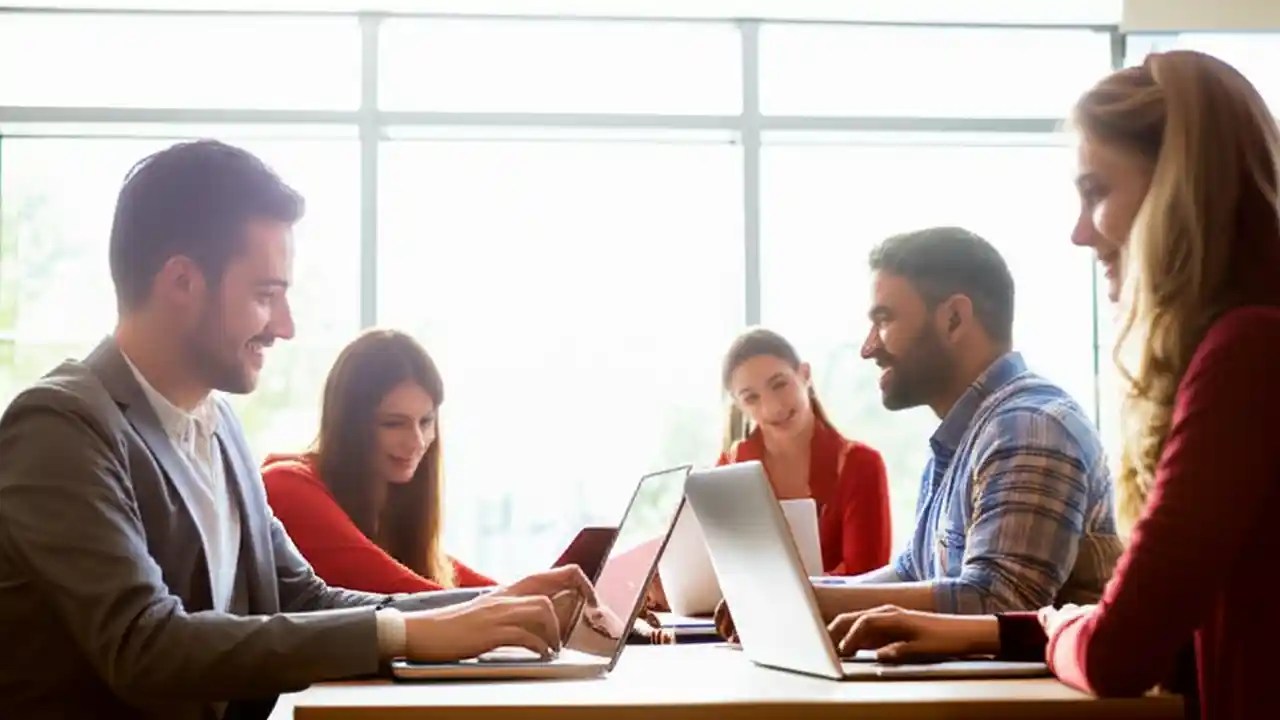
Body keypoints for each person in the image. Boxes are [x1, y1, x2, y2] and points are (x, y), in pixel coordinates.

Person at [0, 140, 592, 720]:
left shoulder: (220, 426)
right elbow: (144, 644)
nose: (284, 326)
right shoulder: (60, 428)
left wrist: (499, 604)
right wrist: (411, 632)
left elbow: (304, 599)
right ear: (181, 282)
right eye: (266, 296)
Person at [823, 50, 1280, 720]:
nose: (1078, 232)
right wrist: (993, 631)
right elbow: (1175, 632)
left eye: (1097, 192)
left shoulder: (1245, 354)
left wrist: (1058, 625)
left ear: (1179, 192)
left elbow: (1121, 650)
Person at [716, 227, 1120, 640]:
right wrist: (794, 593)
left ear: (954, 319)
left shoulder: (1029, 428)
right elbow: (911, 570)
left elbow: (1001, 602)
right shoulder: (964, 437)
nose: (868, 347)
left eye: (884, 320)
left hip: (1026, 705)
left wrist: (806, 603)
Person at [262, 329, 495, 594]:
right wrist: (524, 607)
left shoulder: (394, 508)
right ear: (350, 425)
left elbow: (489, 596)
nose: (417, 442)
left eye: (426, 421)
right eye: (393, 424)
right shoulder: (286, 486)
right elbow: (404, 594)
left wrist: (542, 598)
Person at [717, 328, 891, 576]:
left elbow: (866, 577)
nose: (773, 407)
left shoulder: (861, 465)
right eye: (751, 398)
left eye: (779, 385)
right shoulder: (728, 469)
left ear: (805, 375)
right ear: (739, 405)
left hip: (836, 615)